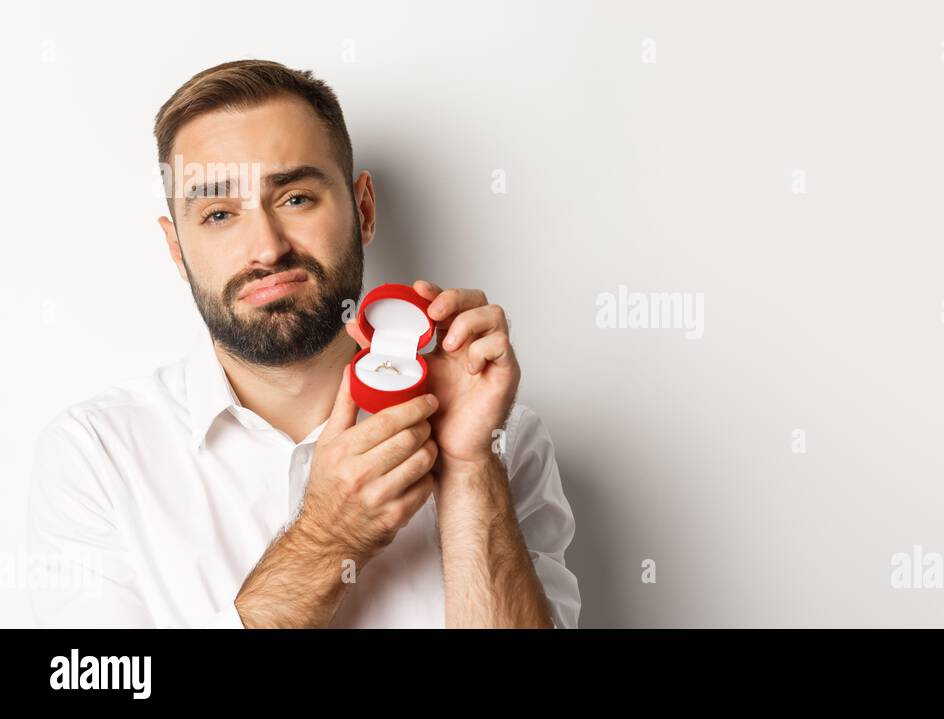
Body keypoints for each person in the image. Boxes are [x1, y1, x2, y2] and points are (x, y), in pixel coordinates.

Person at [26, 59, 580, 628]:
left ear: (363, 209)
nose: (266, 248)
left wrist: (468, 470)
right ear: (177, 250)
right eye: (218, 214)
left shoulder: (499, 438)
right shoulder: (97, 455)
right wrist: (325, 540)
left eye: (294, 198)